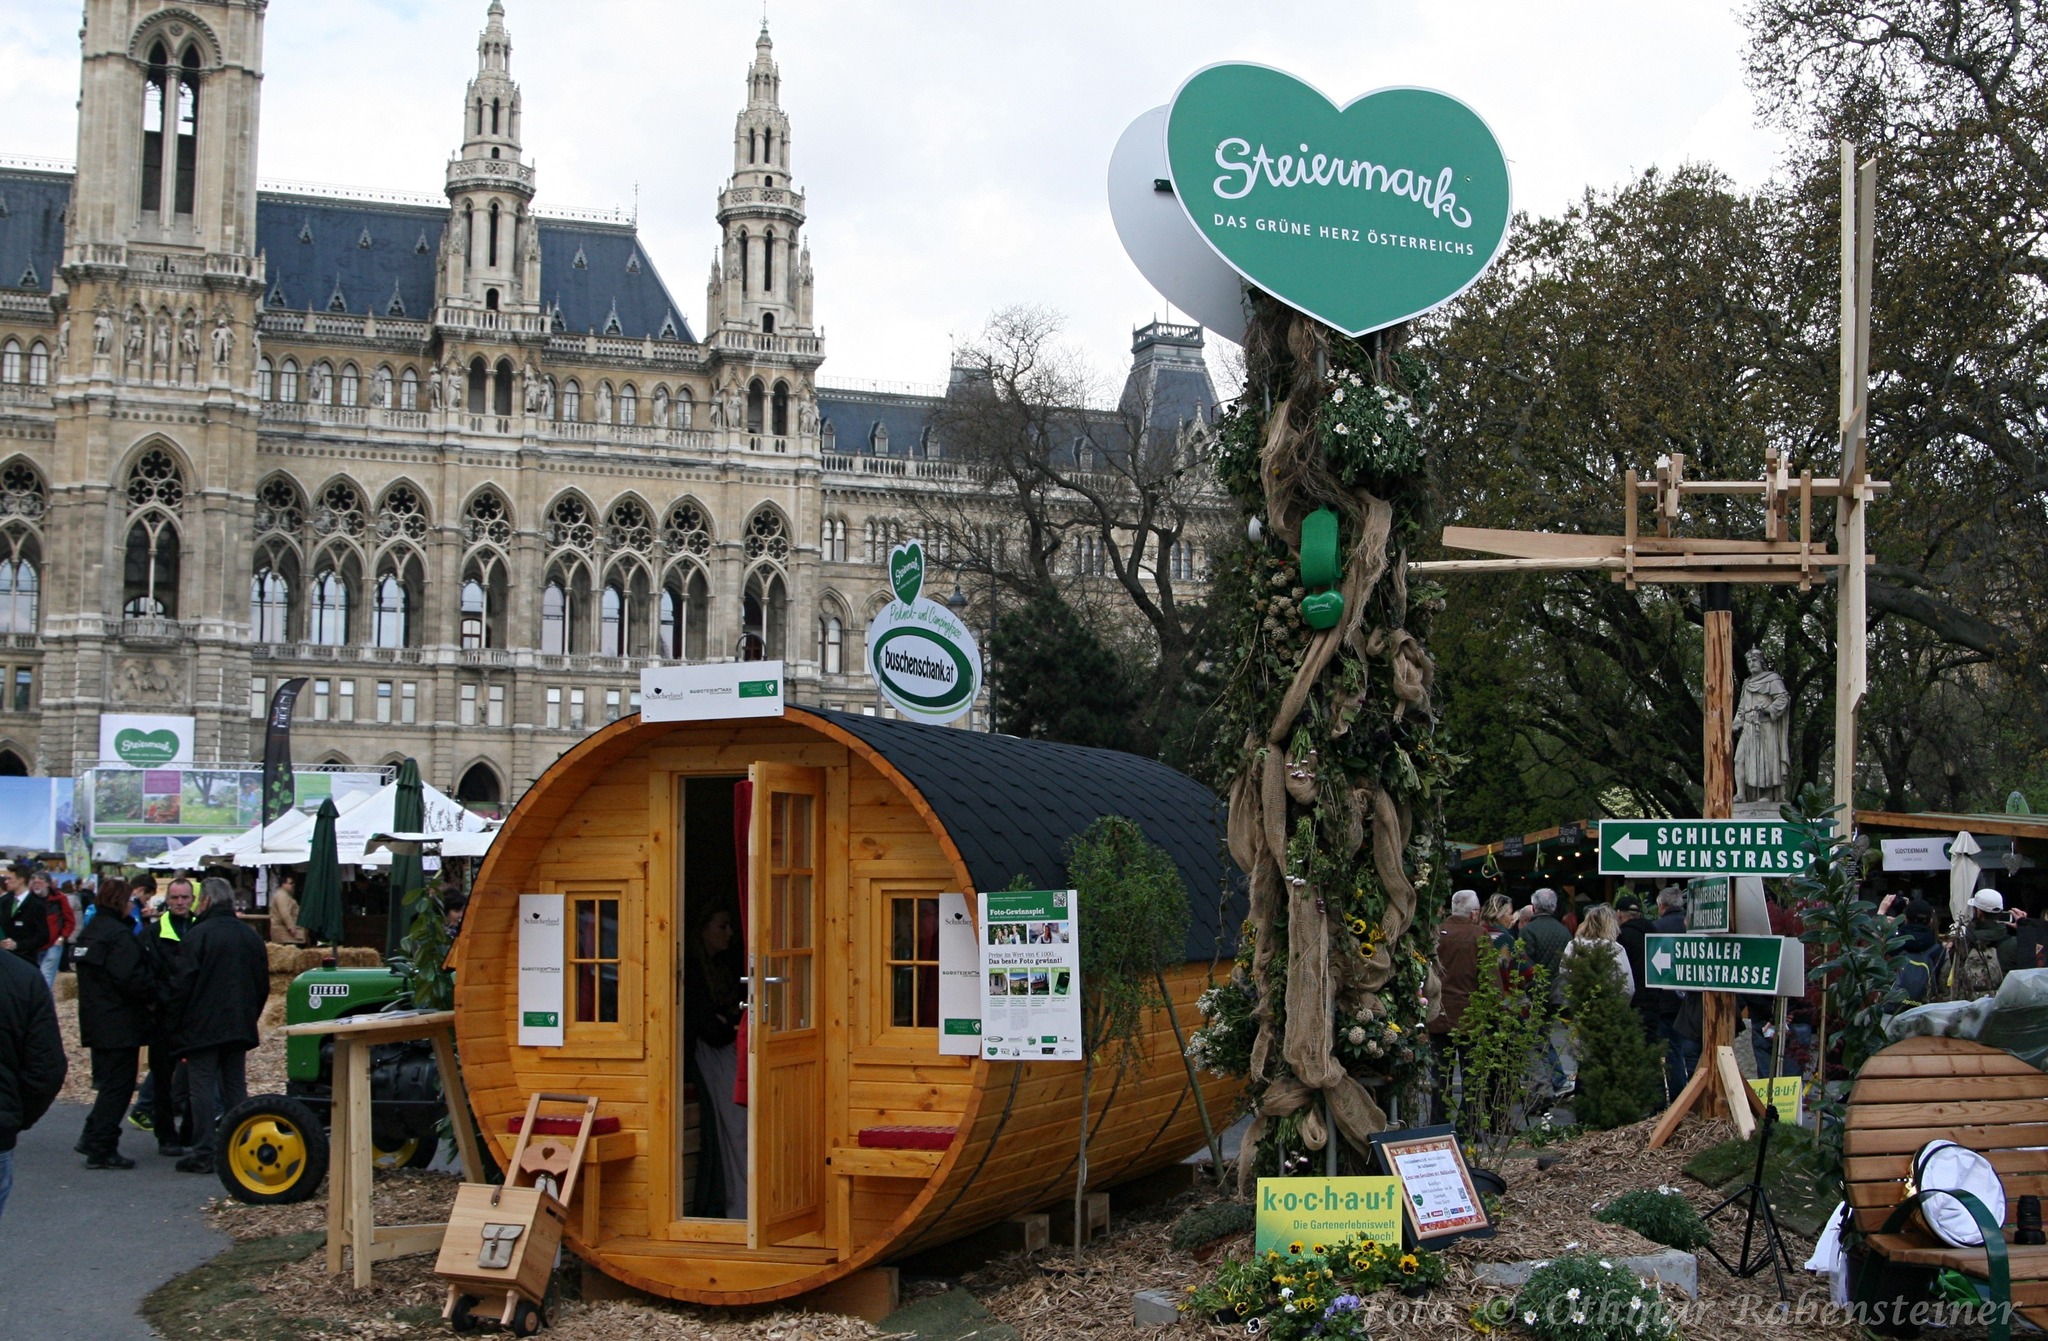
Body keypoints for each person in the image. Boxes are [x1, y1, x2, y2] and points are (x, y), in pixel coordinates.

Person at [163, 877, 269, 1174]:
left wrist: (174, 1024)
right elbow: (262, 983)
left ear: (207, 901)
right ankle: (241, 1144)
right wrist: (250, 1015)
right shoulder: (249, 936)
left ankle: (204, 1151)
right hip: (239, 1022)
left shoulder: (198, 935)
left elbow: (182, 984)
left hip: (202, 1024)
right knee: (235, 1085)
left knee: (202, 1087)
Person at [71, 877, 152, 1169]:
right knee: (118, 1086)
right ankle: (101, 1146)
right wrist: (154, 991)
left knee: (109, 1084)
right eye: (129, 899)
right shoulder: (118, 935)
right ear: (120, 901)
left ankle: (93, 1135)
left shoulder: (91, 931)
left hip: (96, 1018)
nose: (132, 904)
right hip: (120, 1020)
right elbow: (132, 979)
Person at [684, 905, 746, 1218]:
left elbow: (730, 1015)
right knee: (736, 1126)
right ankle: (739, 1204)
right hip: (713, 1054)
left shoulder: (721, 966)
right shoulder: (694, 971)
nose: (730, 933)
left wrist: (728, 1020)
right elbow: (710, 1028)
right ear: (703, 928)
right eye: (722, 926)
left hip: (726, 1050)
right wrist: (727, 1022)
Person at [0, 924, 65, 1220]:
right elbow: (46, 1069)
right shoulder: (24, 977)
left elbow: (46, 1068)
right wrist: (14, 1117)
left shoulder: (23, 977)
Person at [138, 877, 198, 1154]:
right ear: (167, 900)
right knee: (162, 1079)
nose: (180, 902)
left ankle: (191, 1130)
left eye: (185, 897)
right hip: (163, 1017)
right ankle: (165, 1134)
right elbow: (146, 974)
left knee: (197, 1078)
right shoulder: (152, 933)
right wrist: (158, 1002)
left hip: (193, 1017)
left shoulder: (200, 928)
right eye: (175, 898)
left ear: (192, 899)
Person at [1429, 890, 1487, 1126]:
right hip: (1469, 1014)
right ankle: (1467, 1125)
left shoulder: (1436, 933)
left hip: (1438, 1013)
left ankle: (1438, 1124)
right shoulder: (1479, 935)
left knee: (1440, 1074)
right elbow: (1489, 977)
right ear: (1474, 913)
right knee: (1471, 1075)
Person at [1647, 886, 1691, 1100]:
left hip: (1664, 1002)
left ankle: (1672, 1098)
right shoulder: (1691, 927)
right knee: (1688, 1051)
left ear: (1661, 906)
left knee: (1668, 1051)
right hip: (1690, 1002)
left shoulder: (1655, 928)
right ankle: (1688, 1097)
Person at [1946, 888, 2020, 1001]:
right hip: (2003, 1004)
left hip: (1969, 1004)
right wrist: (2024, 930)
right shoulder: (2015, 943)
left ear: (1978, 912)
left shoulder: (1962, 942)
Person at [1560, 904, 1636, 1000]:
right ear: (1611, 925)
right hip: (1607, 1003)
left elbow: (1564, 974)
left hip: (1577, 1002)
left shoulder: (1573, 945)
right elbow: (1627, 986)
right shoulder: (1615, 948)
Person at [1891, 899, 1945, 1012]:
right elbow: (1943, 984)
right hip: (1924, 1011)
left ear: (1906, 919)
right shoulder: (1938, 949)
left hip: (1891, 1010)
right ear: (1930, 921)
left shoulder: (1892, 943)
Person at [0, 862, 50, 967]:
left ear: (21, 880)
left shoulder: (36, 905)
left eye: (9, 878)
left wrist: (18, 945)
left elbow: (43, 936)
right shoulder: (3, 901)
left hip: (25, 961)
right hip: (3, 960)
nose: (6, 881)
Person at [1614, 894, 1651, 1028]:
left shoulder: (1621, 937)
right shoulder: (1653, 931)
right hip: (1653, 998)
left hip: (1633, 1000)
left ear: (1619, 913)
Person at [34, 872, 74, 989]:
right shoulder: (30, 899)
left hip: (54, 944)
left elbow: (70, 920)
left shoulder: (59, 899)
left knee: (46, 976)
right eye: (34, 881)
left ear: (47, 884)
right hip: (35, 944)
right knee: (37, 976)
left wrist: (62, 937)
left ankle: (43, 999)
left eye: (40, 881)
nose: (36, 883)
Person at [267, 872, 307, 947]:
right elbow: (284, 912)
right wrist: (291, 927)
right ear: (283, 884)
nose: (293, 885)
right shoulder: (281, 896)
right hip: (283, 931)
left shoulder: (285, 895)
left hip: (285, 930)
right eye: (291, 883)